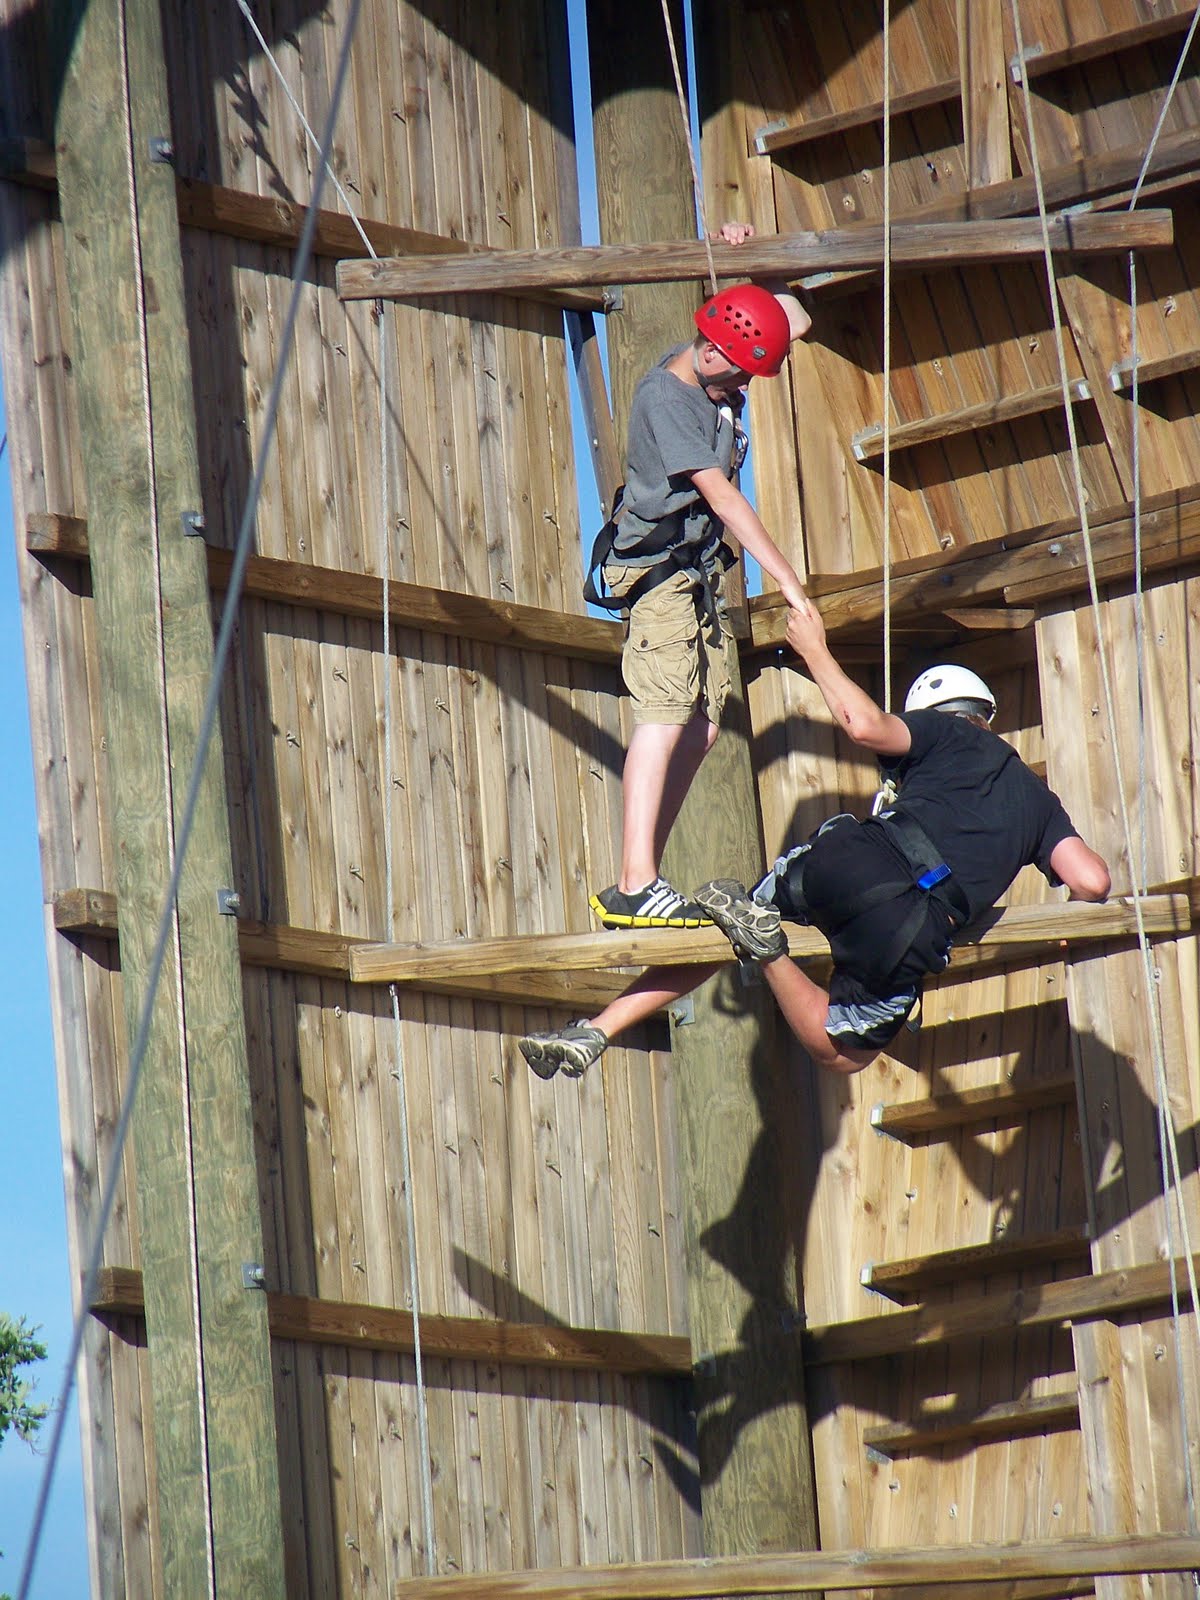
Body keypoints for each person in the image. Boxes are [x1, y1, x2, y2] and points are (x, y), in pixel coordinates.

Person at [521, 603, 1110, 1080]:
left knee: (727, 927)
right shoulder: (1037, 800)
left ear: (932, 713)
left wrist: (814, 650)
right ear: (984, 714)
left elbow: (867, 726)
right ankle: (769, 951)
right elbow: (1092, 880)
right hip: (911, 927)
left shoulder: (937, 733)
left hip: (846, 858)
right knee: (841, 1053)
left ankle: (599, 1028)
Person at [586, 223, 815, 931]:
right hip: (657, 575)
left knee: (704, 729)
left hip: (696, 575)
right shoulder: (667, 398)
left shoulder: (718, 360)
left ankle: (641, 875)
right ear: (711, 350)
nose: (745, 386)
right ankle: (635, 883)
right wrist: (789, 582)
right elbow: (724, 500)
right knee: (661, 715)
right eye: (740, 372)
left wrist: (753, 255)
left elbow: (795, 318)